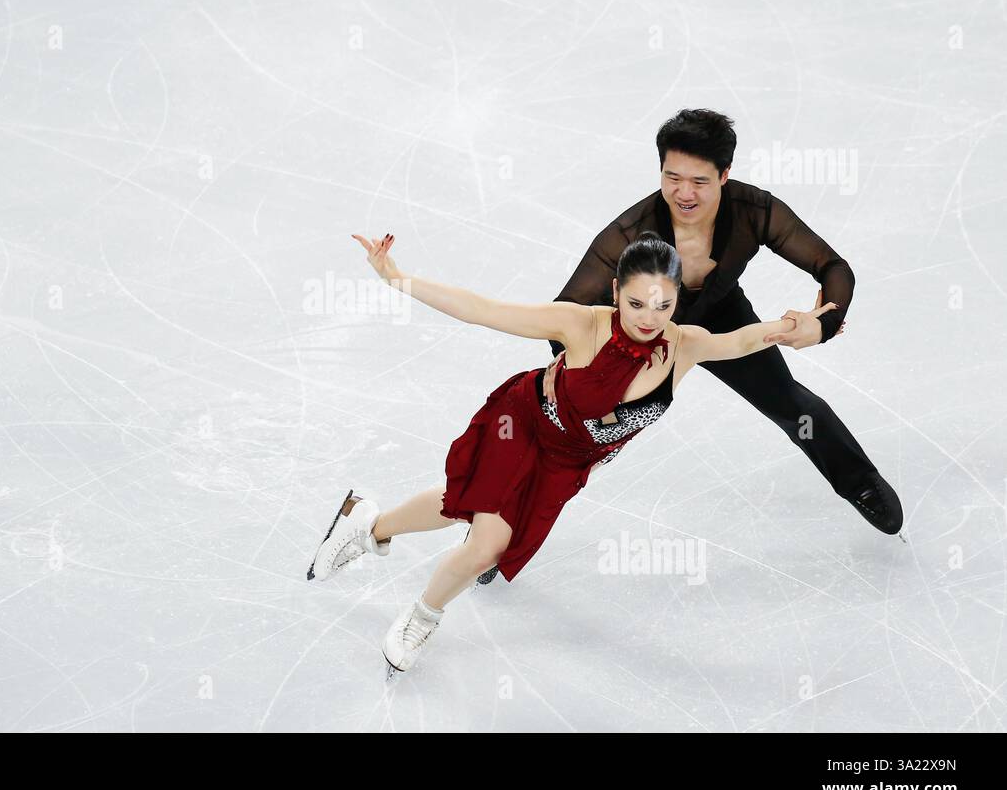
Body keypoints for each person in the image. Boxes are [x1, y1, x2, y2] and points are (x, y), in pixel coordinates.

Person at [308, 230, 834, 675]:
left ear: (677, 299)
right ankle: (424, 615)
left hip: (569, 463)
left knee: (456, 502)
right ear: (614, 291)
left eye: (663, 304)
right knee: (487, 542)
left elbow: (741, 342)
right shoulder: (580, 324)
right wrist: (398, 277)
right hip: (523, 423)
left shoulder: (685, 345)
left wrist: (796, 327)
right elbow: (485, 311)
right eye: (634, 303)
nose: (649, 318)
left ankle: (367, 526)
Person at [545, 109, 901, 535]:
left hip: (721, 319)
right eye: (672, 178)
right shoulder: (629, 232)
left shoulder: (754, 210)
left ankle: (860, 482)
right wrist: (580, 371)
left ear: (724, 174)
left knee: (793, 404)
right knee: (570, 441)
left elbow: (832, 266)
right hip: (642, 334)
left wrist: (823, 324)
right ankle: (498, 527)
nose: (683, 193)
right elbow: (566, 308)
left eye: (699, 181)